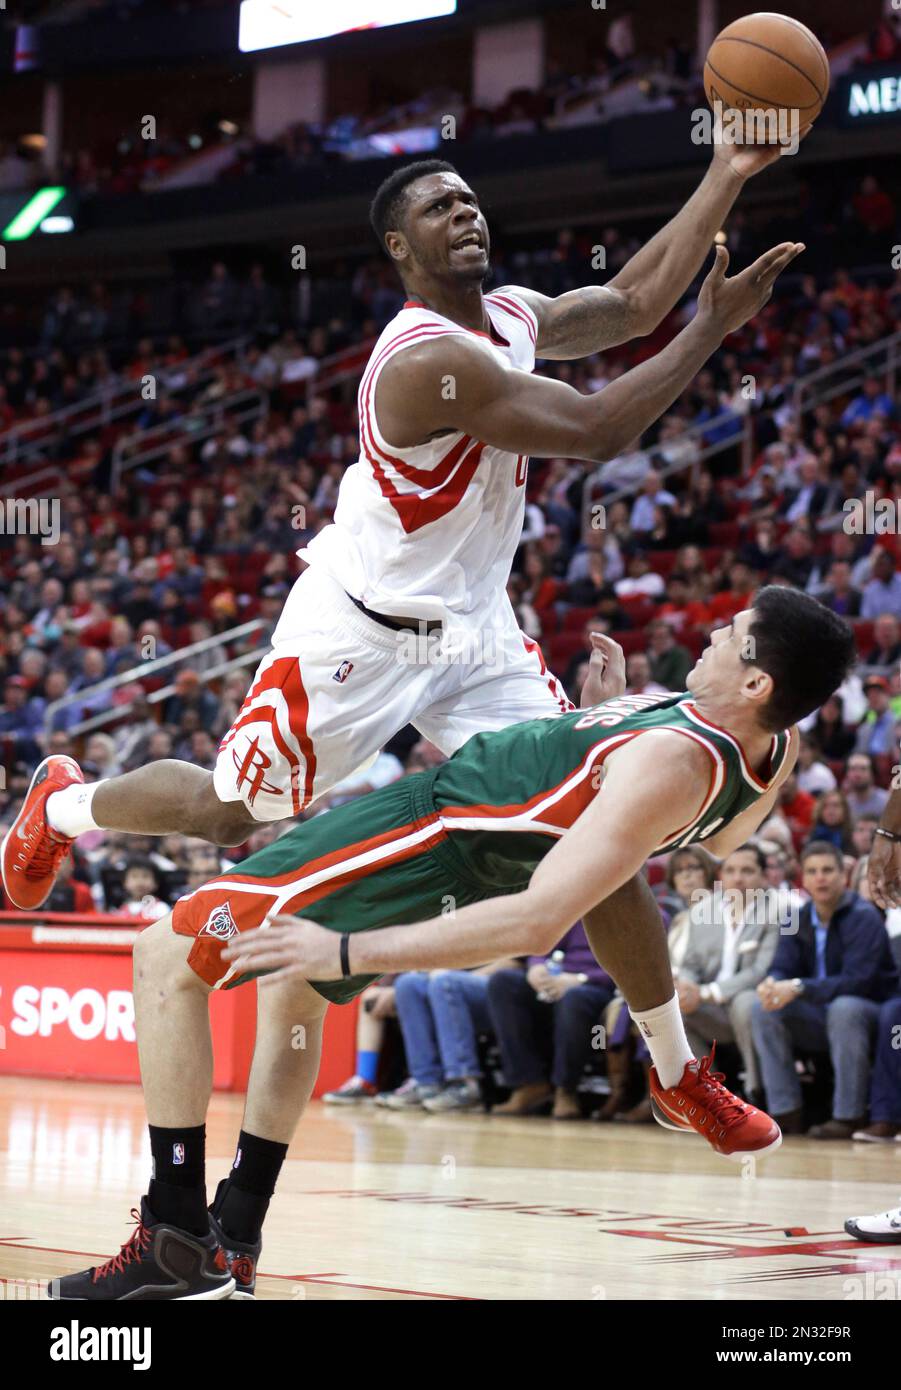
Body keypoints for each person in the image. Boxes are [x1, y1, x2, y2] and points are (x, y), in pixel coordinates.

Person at [4, 158, 804, 911]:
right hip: (365, 634)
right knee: (230, 813)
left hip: (475, 629)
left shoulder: (511, 316)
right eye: (438, 206)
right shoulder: (422, 363)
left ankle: (667, 1054)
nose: (465, 212)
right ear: (399, 246)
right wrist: (709, 332)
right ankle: (65, 806)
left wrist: (725, 168)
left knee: (586, 800)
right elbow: (596, 430)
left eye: (469, 200)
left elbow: (632, 305)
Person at [41, 588, 855, 1300]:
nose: (711, 634)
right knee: (294, 992)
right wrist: (587, 725)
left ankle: (173, 1237)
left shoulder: (670, 762)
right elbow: (704, 834)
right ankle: (236, 1240)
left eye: (730, 634)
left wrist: (349, 954)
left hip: (434, 834)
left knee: (165, 955)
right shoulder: (768, 747)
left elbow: (539, 920)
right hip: (465, 826)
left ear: (755, 682)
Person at [751, 840, 899, 1138]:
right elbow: (782, 964)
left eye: (828, 870)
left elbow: (858, 981)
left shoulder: (864, 916)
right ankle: (785, 1112)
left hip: (866, 1012)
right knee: (760, 1008)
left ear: (843, 877)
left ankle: (849, 1116)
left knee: (845, 1008)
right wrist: (773, 984)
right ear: (803, 879)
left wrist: (798, 986)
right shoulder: (795, 916)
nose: (821, 877)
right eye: (813, 871)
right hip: (817, 1010)